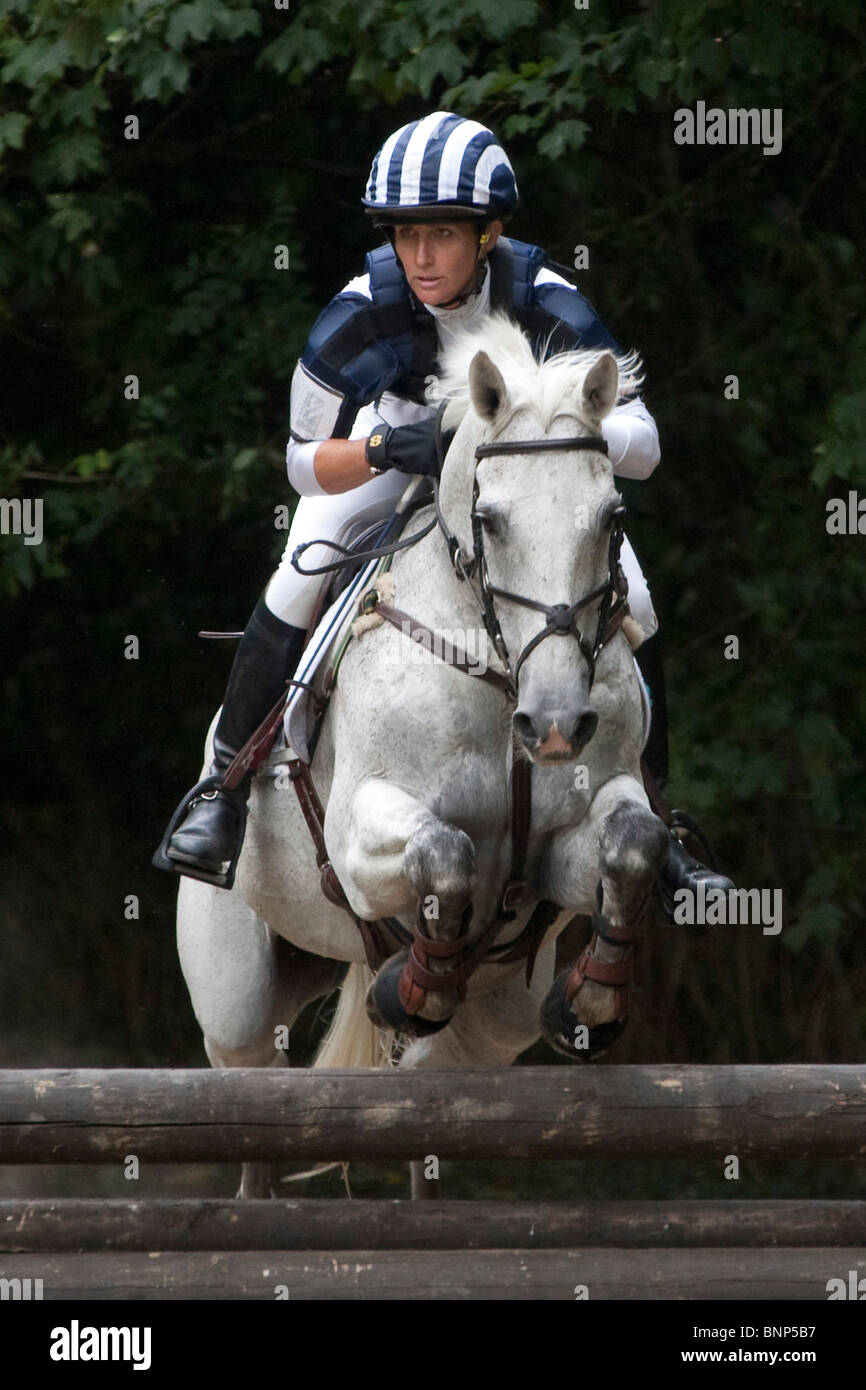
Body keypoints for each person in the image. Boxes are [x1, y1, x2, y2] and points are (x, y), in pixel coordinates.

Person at [156, 110, 732, 908]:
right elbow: (300, 462)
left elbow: (642, 437)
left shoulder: (546, 296)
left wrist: (558, 418)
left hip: (520, 456)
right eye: (405, 234)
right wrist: (386, 452)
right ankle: (220, 790)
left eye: (444, 234)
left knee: (632, 593)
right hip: (394, 449)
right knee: (299, 566)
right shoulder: (362, 307)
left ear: (489, 232)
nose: (421, 257)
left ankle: (658, 821)